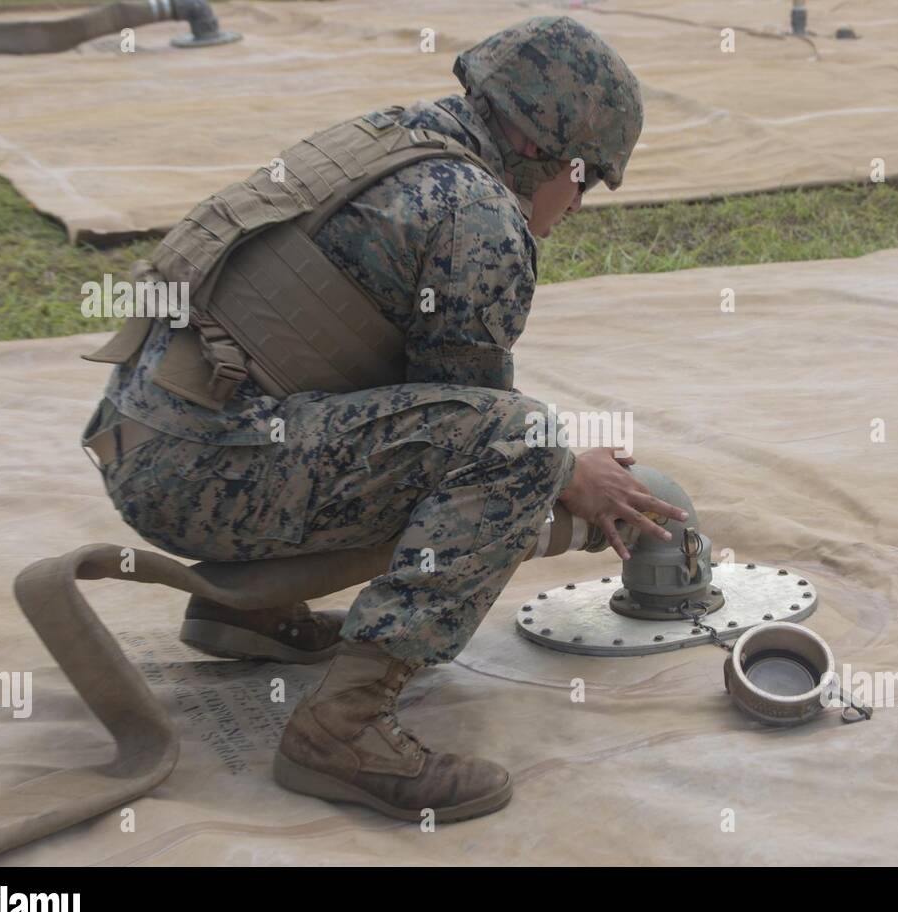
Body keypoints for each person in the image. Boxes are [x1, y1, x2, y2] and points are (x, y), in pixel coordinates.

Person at [79, 15, 686, 823]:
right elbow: (478, 426)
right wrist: (569, 468)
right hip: (198, 475)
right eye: (589, 180)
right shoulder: (481, 217)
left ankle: (246, 610)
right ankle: (346, 728)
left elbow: (385, 393)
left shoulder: (391, 136)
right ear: (554, 154)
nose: (580, 204)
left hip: (144, 438)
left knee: (497, 442)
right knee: (522, 447)